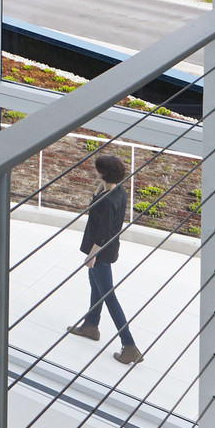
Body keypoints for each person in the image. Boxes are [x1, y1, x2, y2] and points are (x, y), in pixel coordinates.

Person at [67, 154, 143, 364]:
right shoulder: (118, 192)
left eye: (97, 170)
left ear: (103, 173)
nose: (95, 171)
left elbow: (104, 231)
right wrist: (101, 184)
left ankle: (129, 346)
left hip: (100, 251)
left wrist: (92, 255)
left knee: (109, 296)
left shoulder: (108, 201)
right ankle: (91, 325)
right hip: (106, 249)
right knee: (96, 286)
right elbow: (97, 203)